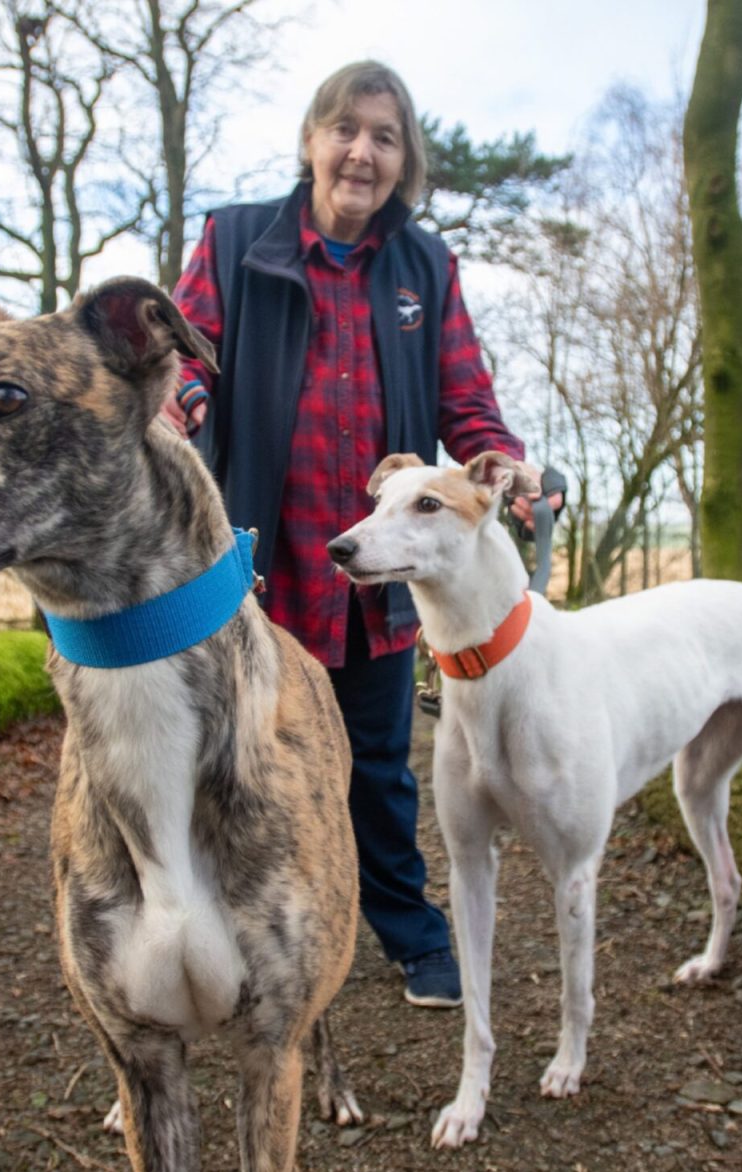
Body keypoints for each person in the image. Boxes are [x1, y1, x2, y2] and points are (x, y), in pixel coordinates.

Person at [165, 60, 556, 1009]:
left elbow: (465, 396)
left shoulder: (426, 266)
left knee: (379, 766)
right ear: (312, 141)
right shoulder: (234, 239)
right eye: (346, 129)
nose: (362, 152)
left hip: (381, 568)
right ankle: (224, 938)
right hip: (262, 560)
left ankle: (412, 934)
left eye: (385, 138)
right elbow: (185, 354)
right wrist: (179, 412)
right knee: (243, 760)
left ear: (404, 163)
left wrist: (505, 463)